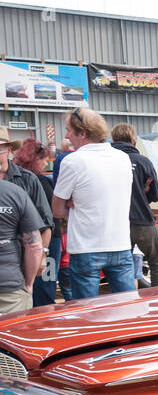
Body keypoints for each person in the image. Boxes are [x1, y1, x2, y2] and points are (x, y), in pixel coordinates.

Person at [51, 107, 135, 299]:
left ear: (82, 133)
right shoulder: (122, 158)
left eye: (69, 131)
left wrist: (73, 202)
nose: (67, 136)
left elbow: (57, 210)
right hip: (120, 243)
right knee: (129, 308)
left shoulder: (73, 161)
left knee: (87, 313)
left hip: (86, 247)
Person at [110, 124, 158, 289]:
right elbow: (155, 196)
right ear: (133, 139)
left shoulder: (108, 161)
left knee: (121, 267)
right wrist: (143, 193)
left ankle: (125, 302)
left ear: (113, 139)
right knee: (156, 262)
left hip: (117, 223)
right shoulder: (143, 162)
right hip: (143, 220)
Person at [0, 136, 45, 314]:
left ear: (10, 150)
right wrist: (28, 283)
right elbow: (34, 243)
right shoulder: (16, 193)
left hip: (12, 281)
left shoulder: (27, 180)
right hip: (11, 283)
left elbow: (45, 226)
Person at [12, 139, 59, 305]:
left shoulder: (15, 180)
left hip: (34, 241)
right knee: (46, 285)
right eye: (44, 159)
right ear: (34, 159)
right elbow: (52, 215)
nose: (46, 163)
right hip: (49, 242)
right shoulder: (39, 181)